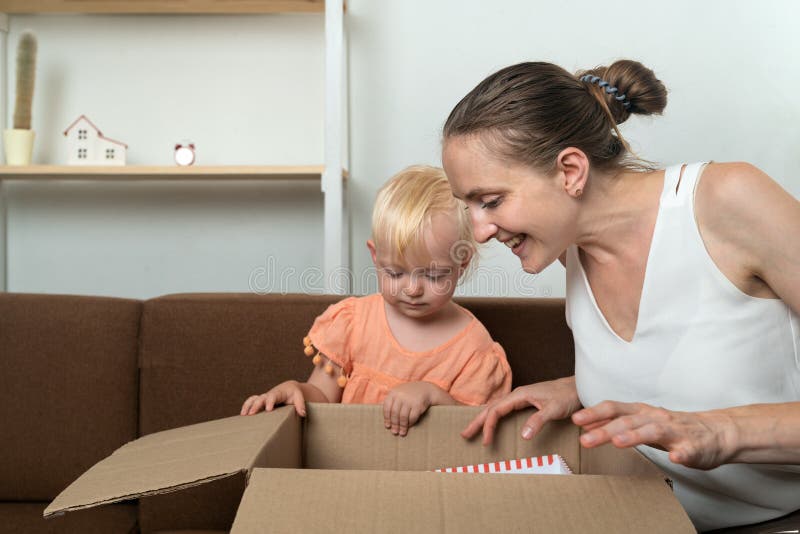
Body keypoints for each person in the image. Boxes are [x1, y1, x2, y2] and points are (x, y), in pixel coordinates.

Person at [440, 59, 800, 531]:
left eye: (490, 201)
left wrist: (722, 431)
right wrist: (583, 389)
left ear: (570, 170)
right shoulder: (571, 249)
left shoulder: (727, 201)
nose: (480, 230)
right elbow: (697, 347)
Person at [241, 165, 512, 437]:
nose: (413, 289)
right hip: (346, 468)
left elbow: (475, 436)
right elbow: (322, 397)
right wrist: (296, 391)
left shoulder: (474, 351)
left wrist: (435, 397)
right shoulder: (352, 322)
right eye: (395, 273)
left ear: (461, 264)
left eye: (433, 275)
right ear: (375, 256)